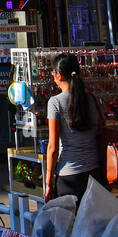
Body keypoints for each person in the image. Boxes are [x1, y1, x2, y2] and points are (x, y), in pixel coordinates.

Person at [43, 53, 105, 205]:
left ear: (59, 75)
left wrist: (48, 179)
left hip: (69, 175)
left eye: (53, 73)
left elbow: (52, 147)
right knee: (93, 225)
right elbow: (100, 131)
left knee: (69, 225)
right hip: (94, 172)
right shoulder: (90, 99)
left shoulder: (55, 102)